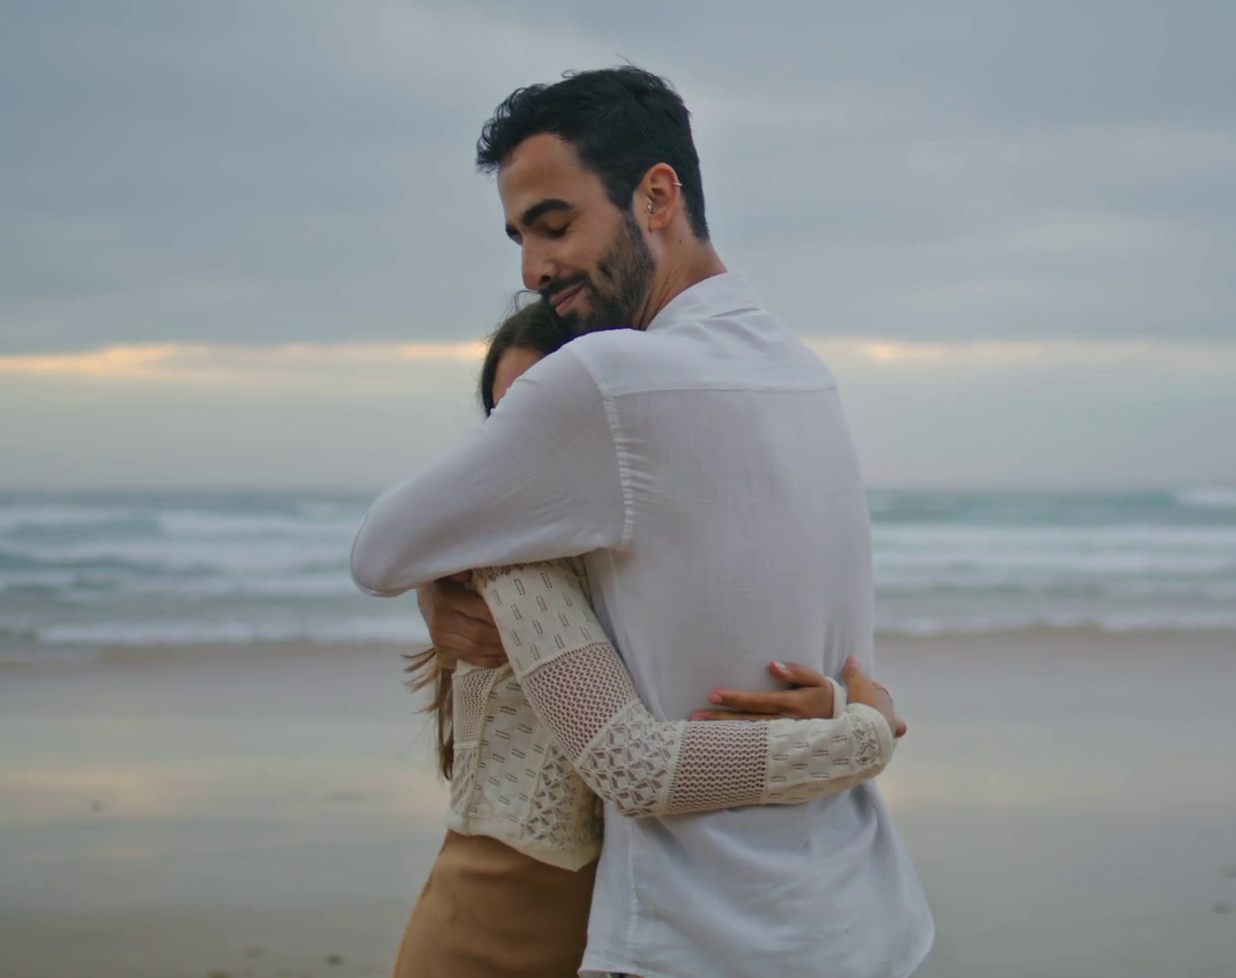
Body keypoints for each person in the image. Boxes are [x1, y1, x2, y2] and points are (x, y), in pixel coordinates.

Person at [351, 66, 935, 978]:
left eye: (554, 224)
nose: (533, 270)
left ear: (655, 195)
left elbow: (381, 547)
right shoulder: (806, 378)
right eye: (518, 237)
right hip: (863, 926)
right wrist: (859, 726)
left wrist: (451, 567)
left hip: (697, 938)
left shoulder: (609, 379)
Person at [392, 299, 907, 978]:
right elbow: (635, 764)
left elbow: (707, 711)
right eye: (508, 424)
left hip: (630, 930)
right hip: (496, 931)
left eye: (549, 419)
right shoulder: (511, 555)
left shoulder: (666, 555)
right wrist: (861, 736)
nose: (528, 449)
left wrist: (824, 709)